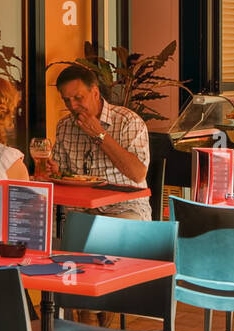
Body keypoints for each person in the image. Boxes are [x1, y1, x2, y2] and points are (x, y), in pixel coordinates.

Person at [37, 64, 151, 219]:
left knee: (104, 239)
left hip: (125, 207)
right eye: (67, 100)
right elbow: (62, 176)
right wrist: (55, 171)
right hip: (81, 210)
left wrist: (100, 135)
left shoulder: (128, 121)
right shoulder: (65, 126)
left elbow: (138, 174)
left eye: (78, 98)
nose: (72, 106)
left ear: (95, 93)